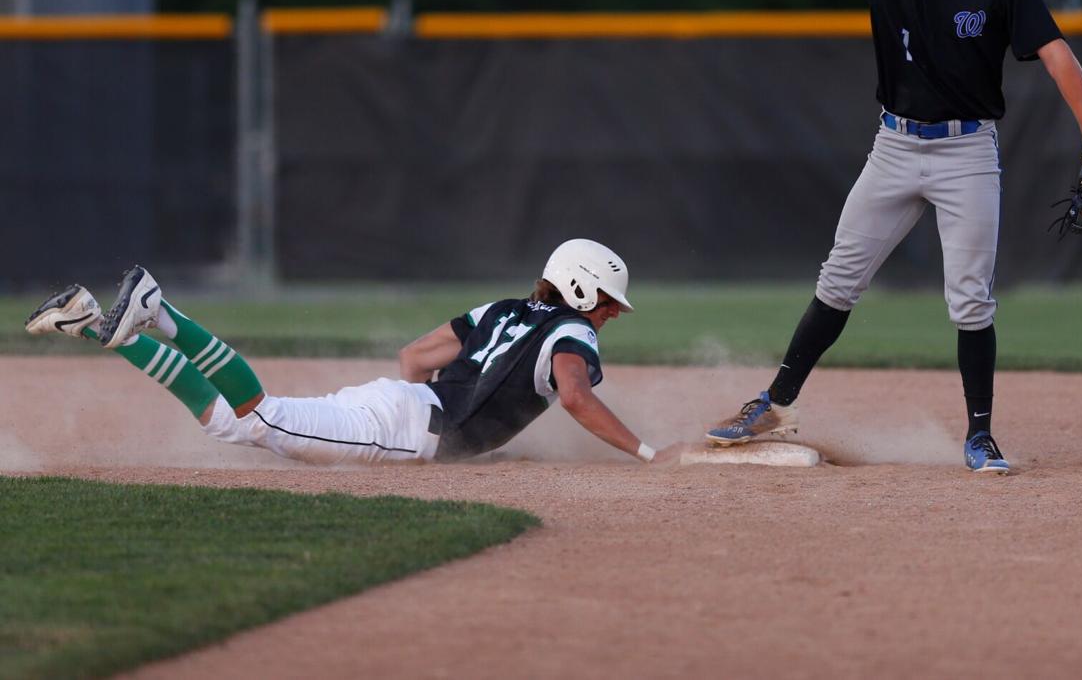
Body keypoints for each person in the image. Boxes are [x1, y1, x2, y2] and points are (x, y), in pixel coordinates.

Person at [698, 0, 1082, 473]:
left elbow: (1056, 53)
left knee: (970, 300)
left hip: (967, 153)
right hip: (893, 147)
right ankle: (774, 404)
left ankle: (980, 436)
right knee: (838, 281)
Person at [25, 239, 676, 465]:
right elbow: (574, 395)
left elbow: (415, 357)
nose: (612, 312)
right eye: (608, 300)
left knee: (231, 424)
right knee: (261, 417)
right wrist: (647, 453)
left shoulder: (503, 309)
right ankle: (162, 313)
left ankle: (96, 322)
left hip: (399, 405)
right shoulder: (573, 333)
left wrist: (451, 414)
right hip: (407, 427)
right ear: (582, 289)